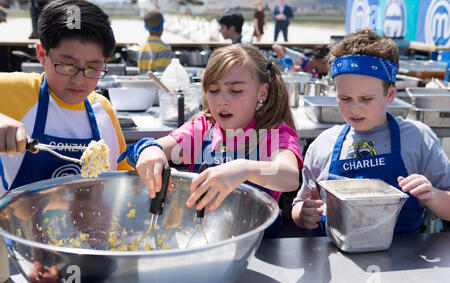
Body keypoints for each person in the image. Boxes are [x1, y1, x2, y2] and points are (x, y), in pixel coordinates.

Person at [120, 44, 303, 238]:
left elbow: (290, 176)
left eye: (236, 90)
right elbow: (153, 147)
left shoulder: (275, 133)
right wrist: (150, 150)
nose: (222, 100)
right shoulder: (202, 128)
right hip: (200, 238)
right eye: (214, 90)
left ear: (262, 93)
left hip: (260, 245)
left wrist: (243, 169)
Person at [291, 29, 450, 237]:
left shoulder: (418, 138)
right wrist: (303, 215)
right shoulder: (323, 144)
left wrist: (433, 197)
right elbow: (300, 203)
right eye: (345, 98)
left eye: (366, 99)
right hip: (333, 258)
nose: (354, 109)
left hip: (402, 261)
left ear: (390, 93)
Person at [0, 0, 132, 197]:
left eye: (93, 68)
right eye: (67, 65)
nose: (79, 80)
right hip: (15, 224)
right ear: (42, 55)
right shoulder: (14, 91)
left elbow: (122, 182)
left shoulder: (102, 109)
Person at [137, 9, 172, 74]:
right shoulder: (164, 48)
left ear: (146, 27)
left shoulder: (141, 47)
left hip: (143, 83)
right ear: (162, 27)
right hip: (155, 84)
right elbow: (162, 75)